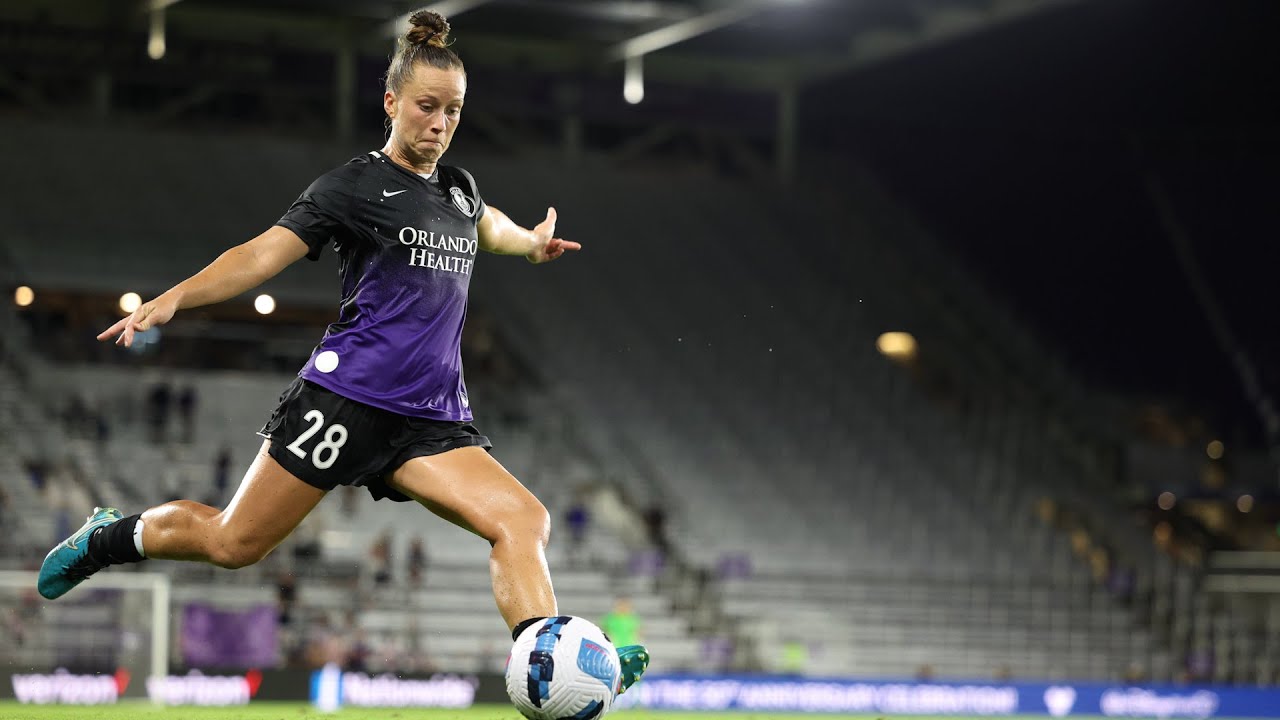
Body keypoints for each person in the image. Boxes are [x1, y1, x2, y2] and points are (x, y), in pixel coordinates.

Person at [36, 8, 648, 693]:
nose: (440, 123)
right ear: (391, 103)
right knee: (234, 544)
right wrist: (178, 296)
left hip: (430, 419)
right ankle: (107, 536)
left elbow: (487, 224)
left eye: (453, 110)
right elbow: (262, 253)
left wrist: (529, 242)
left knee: (522, 520)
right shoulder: (352, 188)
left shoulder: (459, 189)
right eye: (426, 107)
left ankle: (554, 668)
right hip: (345, 400)